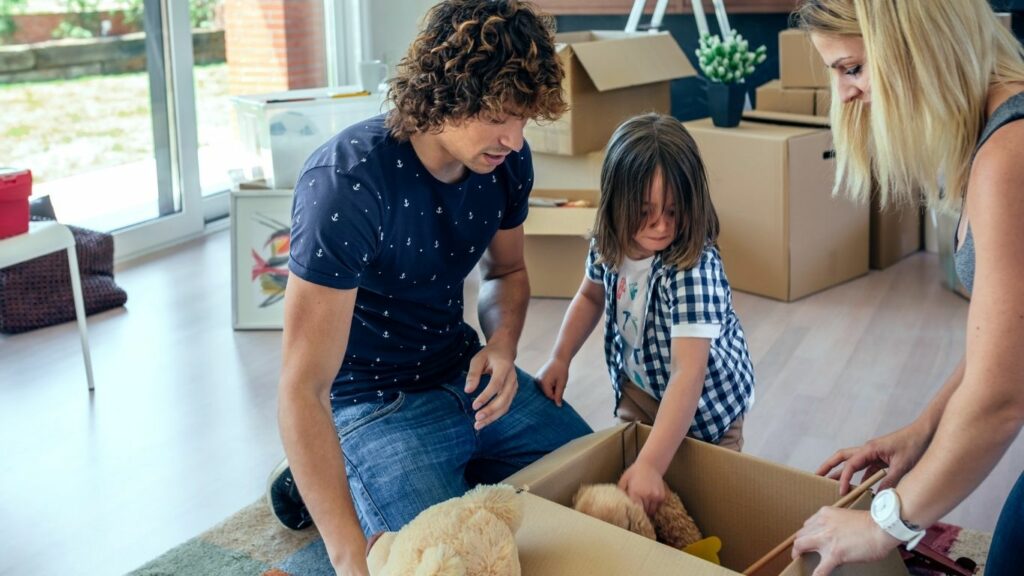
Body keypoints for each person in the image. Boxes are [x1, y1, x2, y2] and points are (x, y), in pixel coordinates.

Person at [269, 1, 593, 573]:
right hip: (373, 404)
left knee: (600, 486)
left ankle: (346, 483)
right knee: (446, 561)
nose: (515, 140)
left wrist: (503, 346)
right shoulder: (346, 185)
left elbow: (507, 273)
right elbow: (302, 389)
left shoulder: (506, 164)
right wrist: (349, 559)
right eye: (501, 116)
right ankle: (331, 484)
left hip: (463, 375)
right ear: (445, 92)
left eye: (525, 119)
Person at [788, 2, 1024, 575]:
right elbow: (1006, 352)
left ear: (915, 46)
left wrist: (883, 524)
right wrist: (922, 432)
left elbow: (1000, 400)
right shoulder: (994, 133)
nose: (842, 95)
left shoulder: (1009, 155)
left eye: (852, 68)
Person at [535, 113, 755, 517]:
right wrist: (560, 357)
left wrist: (653, 463)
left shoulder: (693, 267)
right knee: (637, 485)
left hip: (709, 406)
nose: (659, 226)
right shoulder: (610, 242)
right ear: (617, 203)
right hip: (639, 386)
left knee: (709, 502)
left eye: (673, 211)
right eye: (644, 211)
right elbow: (589, 297)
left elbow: (689, 372)